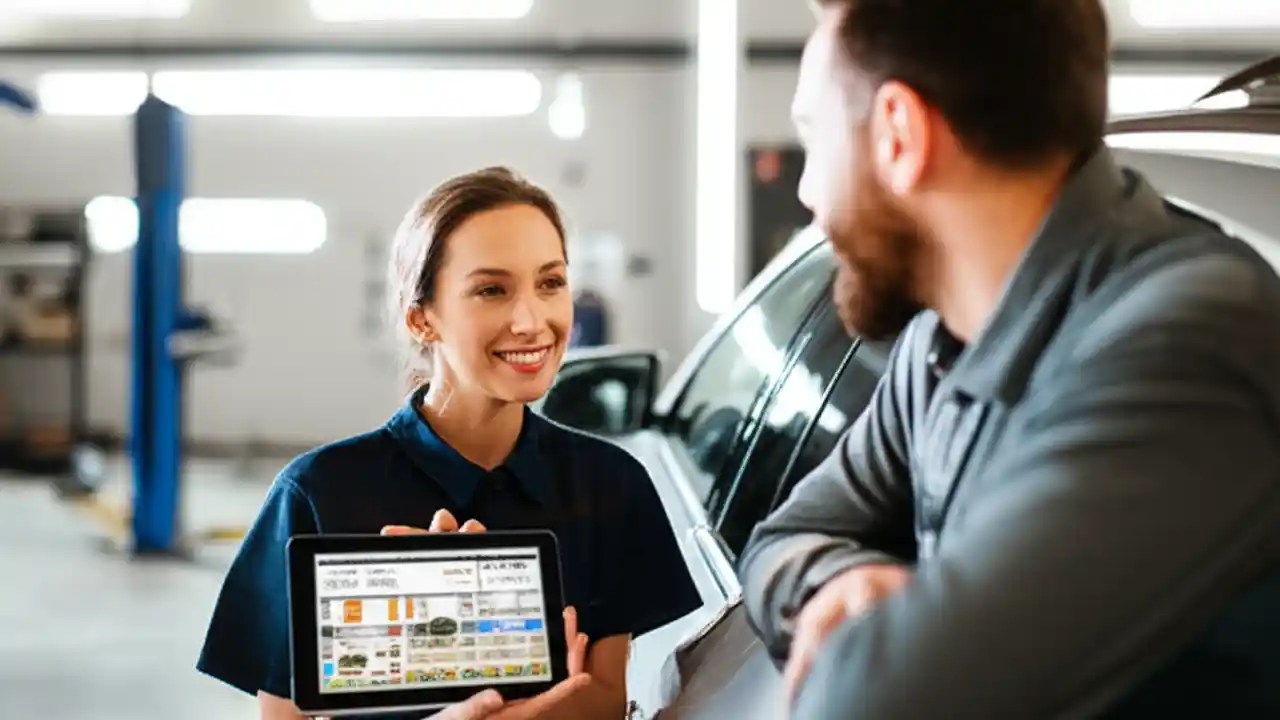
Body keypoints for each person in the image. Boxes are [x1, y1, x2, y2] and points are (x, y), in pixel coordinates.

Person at [739, 1, 1280, 718]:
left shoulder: (1193, 344)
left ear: (899, 134)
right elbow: (779, 538)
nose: (807, 194)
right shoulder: (939, 340)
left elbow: (873, 702)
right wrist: (852, 584)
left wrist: (888, 642)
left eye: (814, 137)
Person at [197, 167, 701, 719]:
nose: (533, 320)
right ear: (422, 319)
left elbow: (605, 699)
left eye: (551, 282)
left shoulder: (610, 484)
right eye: (491, 290)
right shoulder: (318, 494)